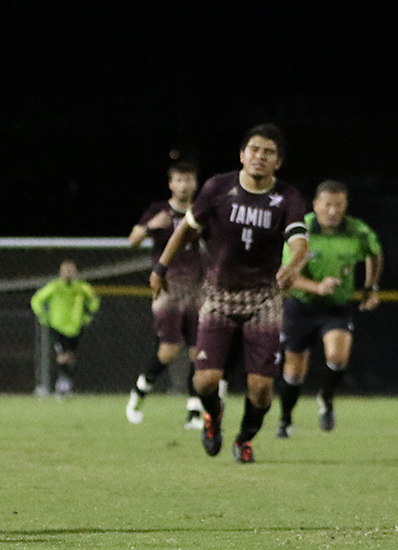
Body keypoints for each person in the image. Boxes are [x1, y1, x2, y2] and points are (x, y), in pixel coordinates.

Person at [150, 123, 308, 464]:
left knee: (261, 389)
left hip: (264, 299)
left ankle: (245, 438)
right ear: (242, 155)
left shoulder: (288, 198)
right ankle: (212, 416)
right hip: (218, 297)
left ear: (278, 162)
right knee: (205, 381)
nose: (260, 157)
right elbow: (185, 230)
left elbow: (299, 239)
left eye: (268, 153)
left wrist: (294, 264)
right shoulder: (218, 188)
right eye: (254, 149)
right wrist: (160, 267)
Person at [276, 180, 382, 438]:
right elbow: (287, 277)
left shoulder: (357, 231)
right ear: (316, 205)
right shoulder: (302, 232)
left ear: (345, 206)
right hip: (300, 306)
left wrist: (371, 286)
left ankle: (326, 397)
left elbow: (375, 254)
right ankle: (285, 419)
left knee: (337, 356)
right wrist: (317, 286)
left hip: (336, 307)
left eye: (339, 205)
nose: (333, 211)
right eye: (328, 205)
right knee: (294, 372)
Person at [125, 161, 207, 428]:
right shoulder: (158, 210)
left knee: (199, 351)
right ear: (171, 184)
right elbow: (132, 239)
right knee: (169, 350)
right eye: (179, 180)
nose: (184, 185)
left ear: (195, 183)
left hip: (198, 288)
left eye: (189, 179)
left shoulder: (201, 211)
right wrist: (151, 226)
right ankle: (140, 390)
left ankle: (193, 413)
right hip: (168, 288)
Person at [31, 260, 100, 397]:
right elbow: (37, 299)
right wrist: (43, 315)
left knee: (69, 356)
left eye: (71, 270)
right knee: (62, 355)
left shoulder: (81, 287)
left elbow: (93, 301)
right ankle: (62, 384)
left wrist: (88, 314)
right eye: (65, 270)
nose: (68, 273)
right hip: (58, 325)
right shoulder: (55, 287)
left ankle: (65, 383)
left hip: (75, 326)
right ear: (61, 272)